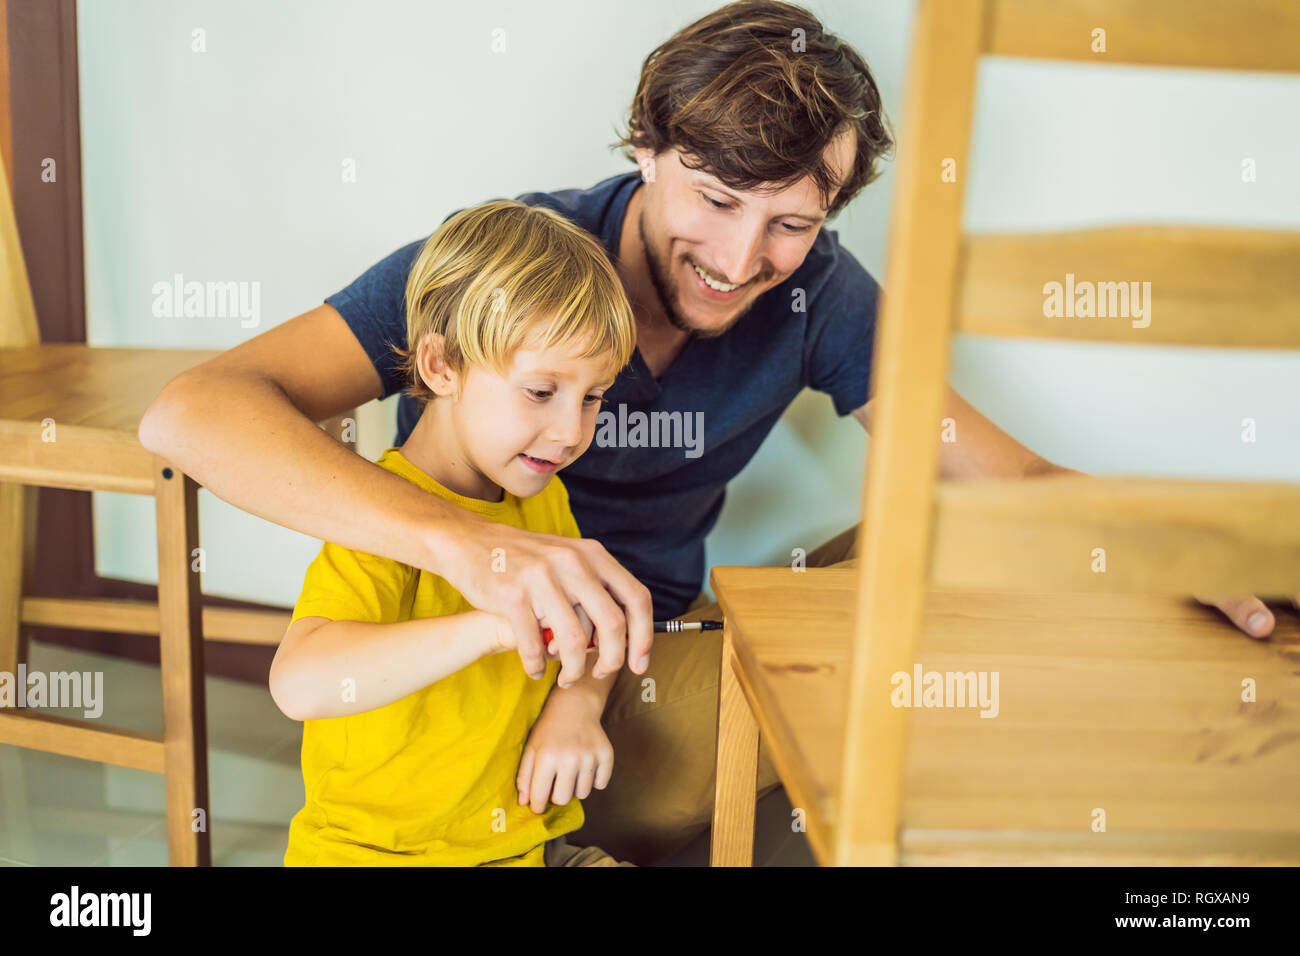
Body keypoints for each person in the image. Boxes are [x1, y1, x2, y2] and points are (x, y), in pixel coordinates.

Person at [139, 0, 1288, 866]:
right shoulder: (513, 265)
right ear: (644, 147)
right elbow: (192, 409)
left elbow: (1007, 476)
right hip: (516, 690)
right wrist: (477, 552)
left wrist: (1176, 549)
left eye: (790, 220)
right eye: (715, 199)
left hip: (638, 651)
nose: (742, 261)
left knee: (915, 556)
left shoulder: (817, 293)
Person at [270, 199, 637, 865]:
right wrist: (493, 629)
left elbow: (587, 634)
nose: (570, 431)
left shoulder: (545, 499)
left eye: (591, 397)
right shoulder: (383, 516)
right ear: (441, 368)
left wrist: (577, 705)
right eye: (540, 392)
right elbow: (300, 684)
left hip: (527, 851)